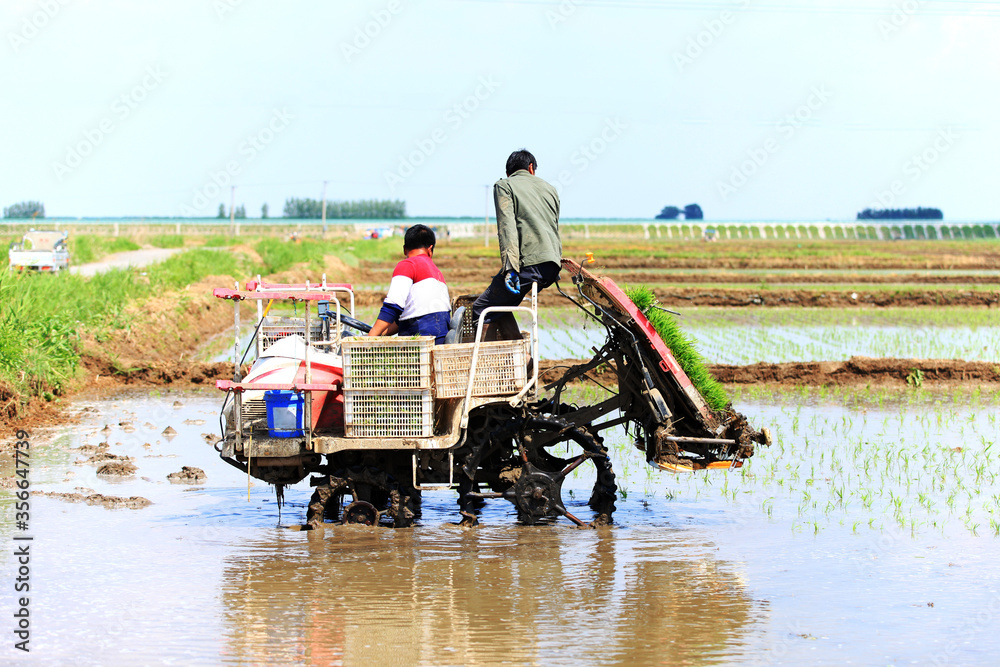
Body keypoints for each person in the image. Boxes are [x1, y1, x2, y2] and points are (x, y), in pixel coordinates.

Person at [471, 149, 562, 341]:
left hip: (529, 266)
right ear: (531, 168)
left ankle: (485, 367)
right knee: (501, 306)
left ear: (508, 173)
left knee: (482, 310)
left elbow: (507, 229)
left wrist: (510, 268)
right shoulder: (550, 188)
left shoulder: (505, 186)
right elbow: (553, 227)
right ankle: (523, 360)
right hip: (552, 265)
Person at [368, 224, 451, 344]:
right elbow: (410, 314)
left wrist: (369, 338)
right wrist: (382, 333)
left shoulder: (407, 265)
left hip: (420, 342)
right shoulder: (437, 272)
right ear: (430, 249)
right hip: (440, 338)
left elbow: (392, 307)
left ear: (404, 249)